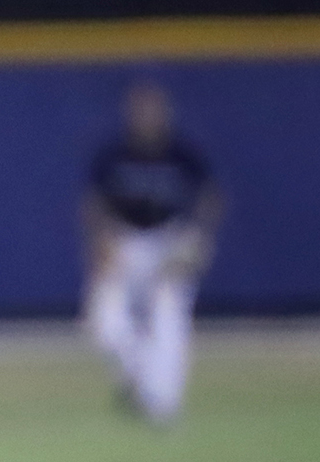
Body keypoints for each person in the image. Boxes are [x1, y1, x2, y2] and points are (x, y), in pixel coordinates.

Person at [82, 80, 222, 425]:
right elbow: (93, 203)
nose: (147, 117)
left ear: (165, 114)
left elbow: (211, 196)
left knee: (169, 316)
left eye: (153, 111)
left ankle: (163, 405)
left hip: (169, 239)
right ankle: (145, 379)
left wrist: (197, 239)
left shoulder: (181, 154)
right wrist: (99, 242)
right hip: (125, 239)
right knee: (103, 323)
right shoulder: (115, 154)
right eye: (140, 111)